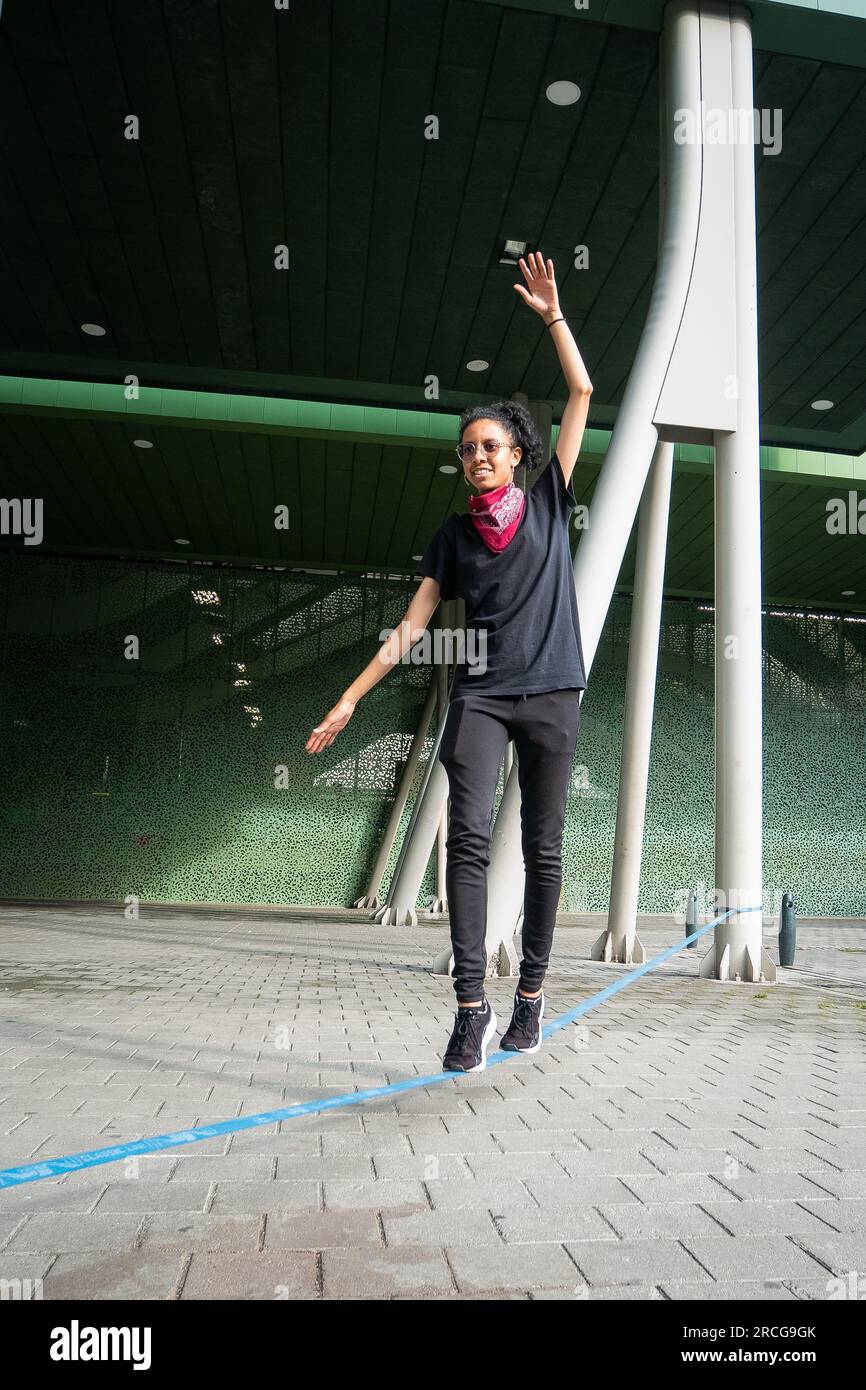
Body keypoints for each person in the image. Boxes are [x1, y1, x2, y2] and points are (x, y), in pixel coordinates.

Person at [306, 251, 593, 1073]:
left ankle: (531, 996)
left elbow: (580, 395)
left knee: (544, 849)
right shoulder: (453, 536)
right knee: (465, 844)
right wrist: (351, 698)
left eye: (490, 446)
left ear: (517, 454)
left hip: (553, 696)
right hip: (481, 699)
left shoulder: (549, 498)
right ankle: (472, 1006)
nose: (476, 457)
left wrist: (551, 317)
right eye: (467, 448)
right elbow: (410, 625)